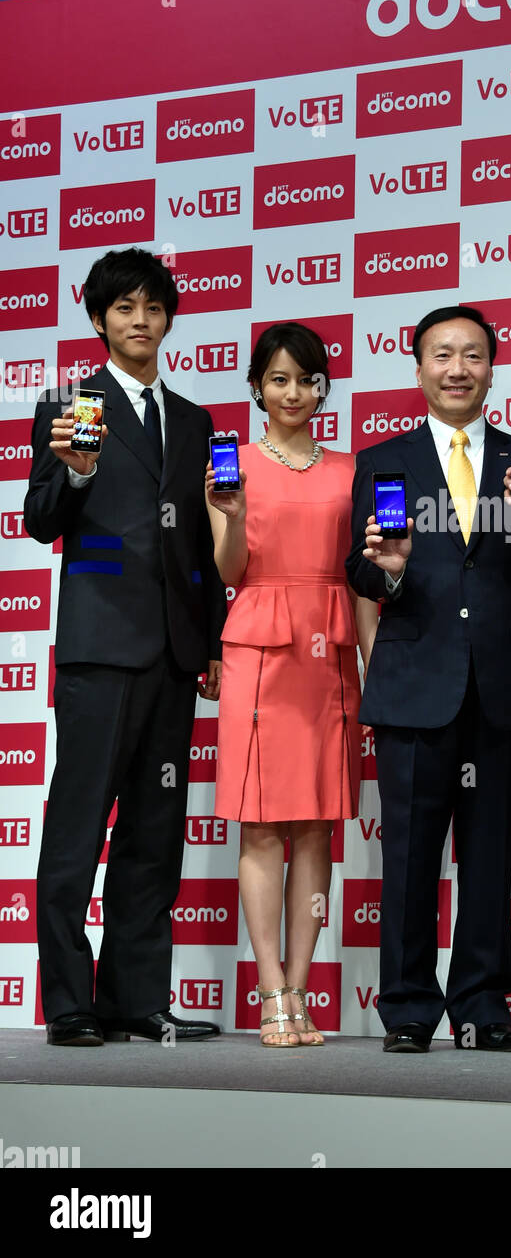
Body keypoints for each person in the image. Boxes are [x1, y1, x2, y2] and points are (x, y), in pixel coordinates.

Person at [346, 305, 511, 1053]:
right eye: (441, 355)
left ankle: (482, 1008)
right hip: (415, 682)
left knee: (486, 857)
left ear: (490, 369)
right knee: (407, 856)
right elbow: (357, 571)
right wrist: (389, 573)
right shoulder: (382, 460)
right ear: (417, 369)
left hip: (504, 683)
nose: (456, 369)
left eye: (471, 355)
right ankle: (408, 1008)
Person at [25, 247, 227, 1046]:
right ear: (100, 319)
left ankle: (137, 998)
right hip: (99, 649)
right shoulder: (69, 401)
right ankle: (71, 1004)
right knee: (78, 829)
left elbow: (202, 552)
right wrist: (72, 475)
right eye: (124, 309)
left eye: (152, 307)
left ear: (169, 316)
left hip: (176, 656)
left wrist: (208, 642)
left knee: (155, 832)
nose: (140, 321)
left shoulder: (197, 420)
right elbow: (42, 519)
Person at [207, 323, 377, 1047]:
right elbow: (225, 572)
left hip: (329, 647)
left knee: (318, 827)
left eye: (306, 380)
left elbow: (366, 579)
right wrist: (233, 519)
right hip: (258, 646)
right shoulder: (231, 464)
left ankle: (302, 992)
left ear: (322, 389)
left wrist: (374, 672)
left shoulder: (351, 471)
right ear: (256, 388)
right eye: (278, 380)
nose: (293, 393)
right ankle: (270, 991)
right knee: (261, 825)